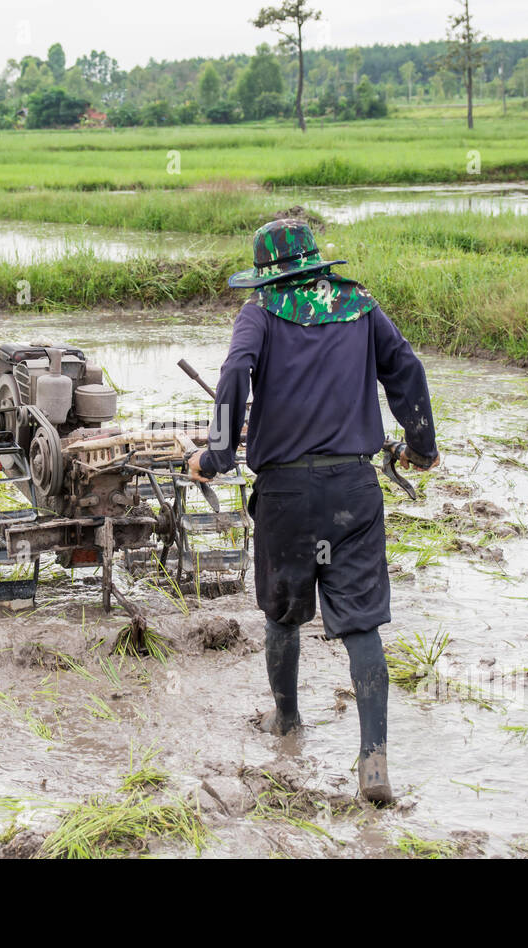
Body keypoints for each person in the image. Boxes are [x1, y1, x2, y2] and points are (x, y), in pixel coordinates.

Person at [189, 218, 439, 805]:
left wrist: (218, 452)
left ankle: (287, 720)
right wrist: (420, 446)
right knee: (360, 622)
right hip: (353, 490)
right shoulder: (360, 306)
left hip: (286, 495)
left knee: (283, 613)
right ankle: (373, 758)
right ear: (316, 261)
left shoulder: (259, 312)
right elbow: (407, 371)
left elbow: (232, 377)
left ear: (269, 272)